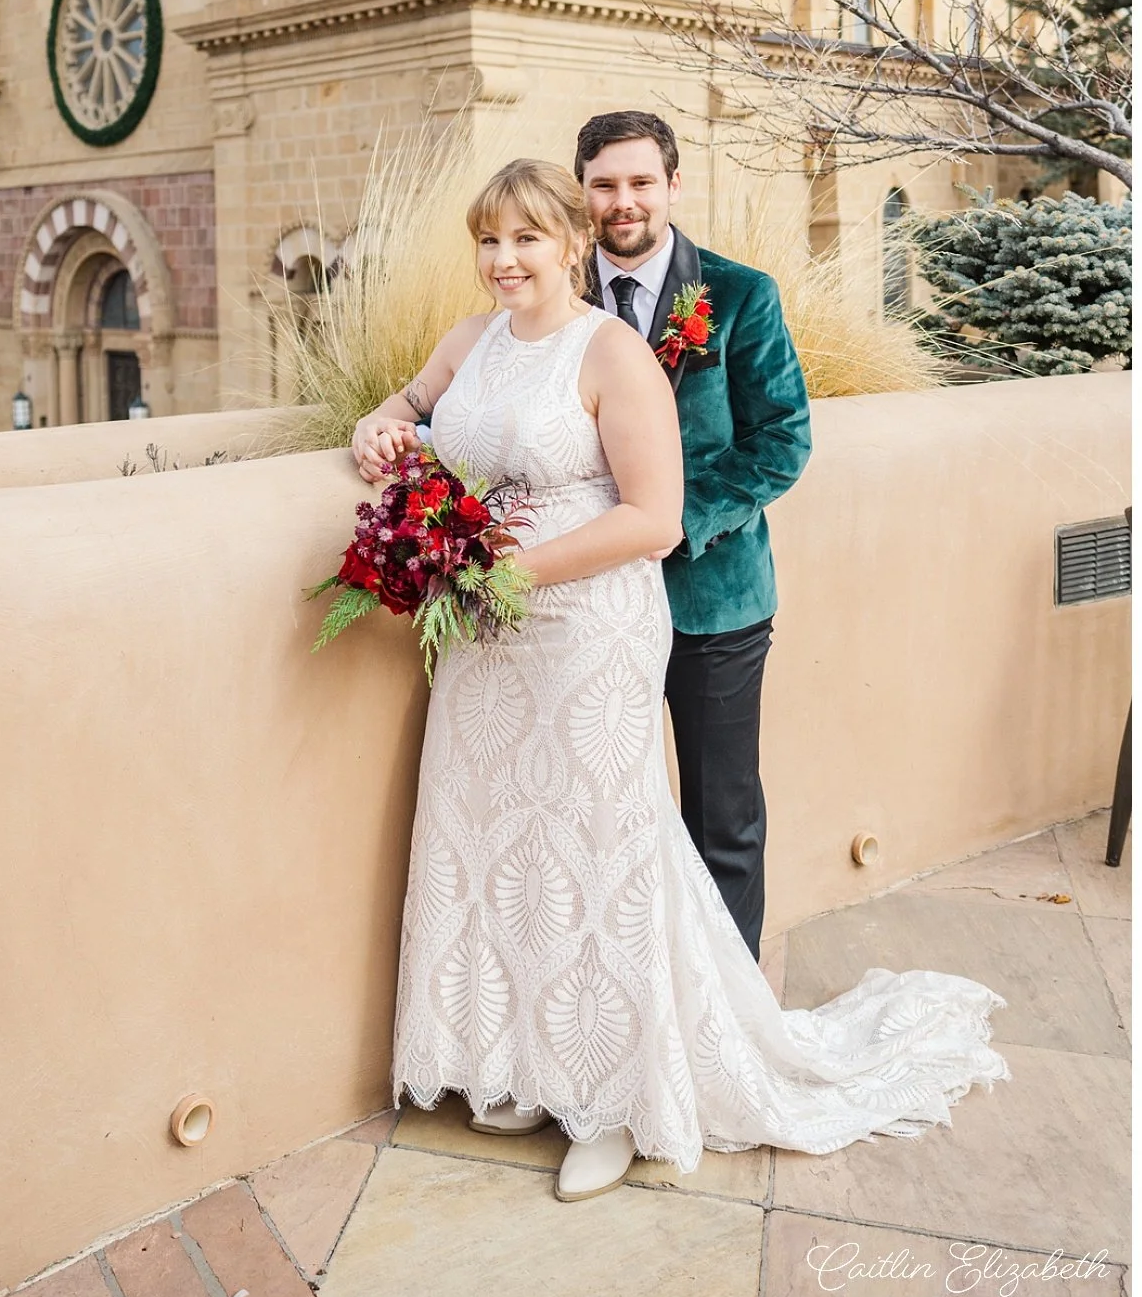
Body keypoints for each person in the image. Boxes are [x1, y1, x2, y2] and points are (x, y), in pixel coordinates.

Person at [353, 157, 1009, 1203]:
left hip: (586, 630)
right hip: (486, 642)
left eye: (525, 238)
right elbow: (413, 407)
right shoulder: (466, 340)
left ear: (571, 243)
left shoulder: (613, 353)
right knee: (502, 835)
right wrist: (379, 425)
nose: (503, 259)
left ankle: (613, 1100)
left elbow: (654, 518)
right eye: (488, 239)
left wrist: (503, 568)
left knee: (596, 840)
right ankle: (521, 1065)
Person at [575, 109, 810, 961]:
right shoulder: (554, 297)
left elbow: (782, 439)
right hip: (586, 604)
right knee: (597, 811)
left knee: (722, 819)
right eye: (605, 184)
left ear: (674, 185)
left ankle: (728, 1027)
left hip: (714, 603)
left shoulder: (740, 295)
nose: (623, 200)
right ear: (584, 193)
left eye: (641, 182)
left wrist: (672, 520)